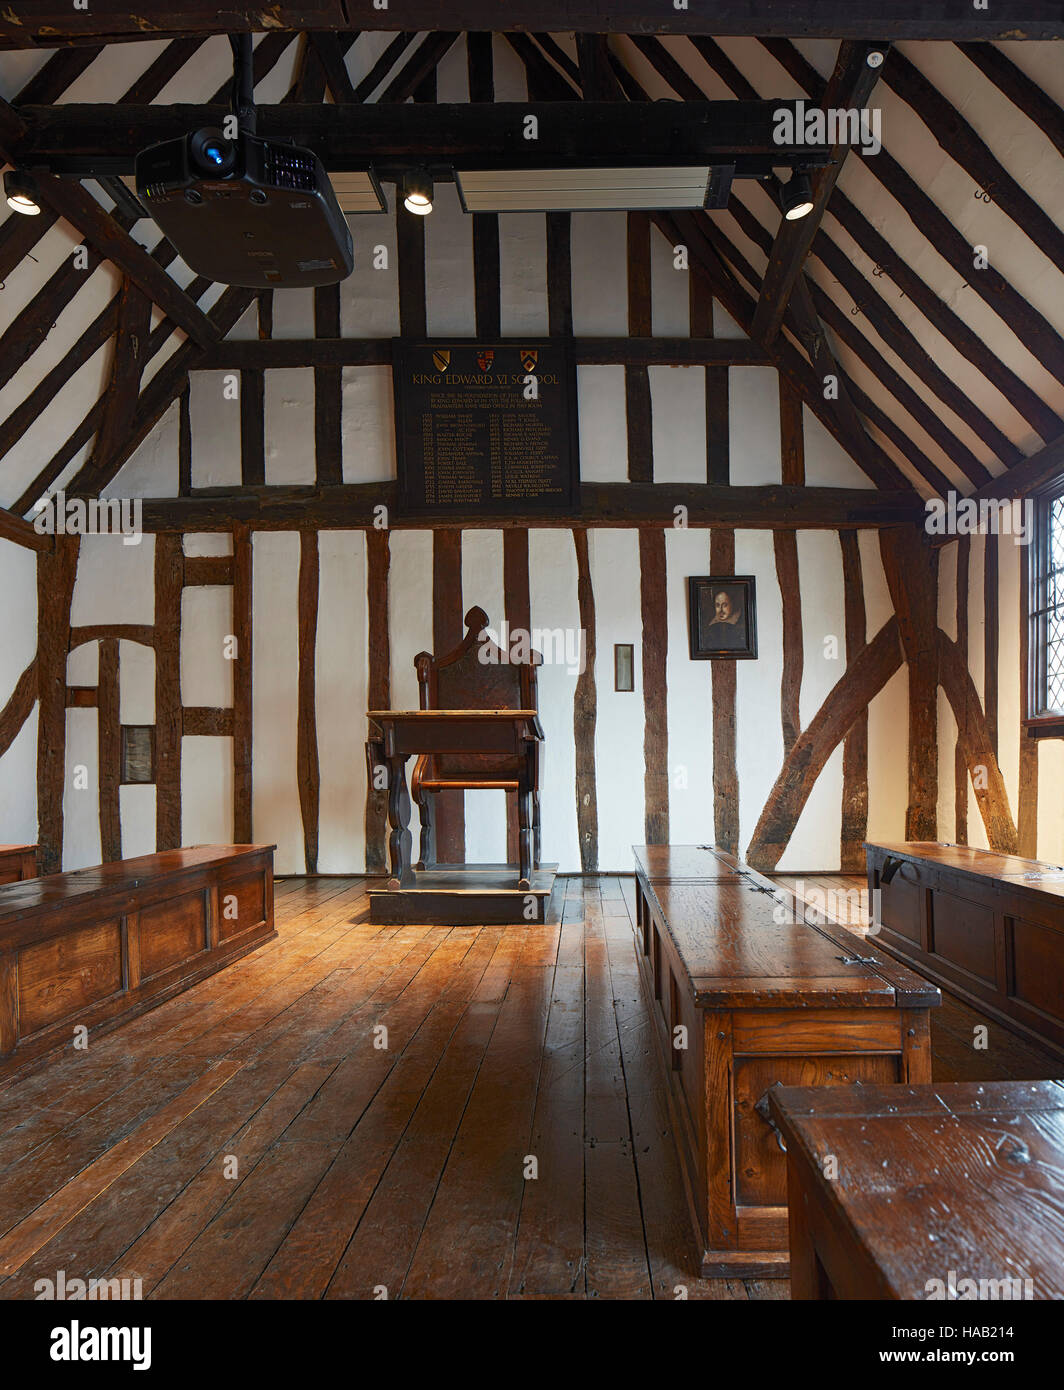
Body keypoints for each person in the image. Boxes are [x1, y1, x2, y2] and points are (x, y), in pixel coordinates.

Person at [701, 586, 746, 650]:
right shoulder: (709, 626)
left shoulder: (741, 626)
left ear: (732, 604)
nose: (721, 610)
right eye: (717, 605)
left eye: (725, 605)